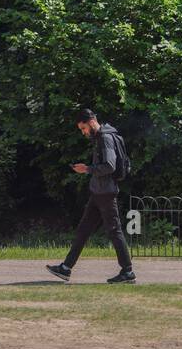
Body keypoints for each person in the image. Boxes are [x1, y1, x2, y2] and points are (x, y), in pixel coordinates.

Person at [47, 109, 136, 283]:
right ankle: (65, 268)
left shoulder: (105, 138)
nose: (83, 132)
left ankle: (127, 271)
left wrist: (87, 169)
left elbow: (109, 166)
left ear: (91, 121)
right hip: (98, 192)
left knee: (114, 230)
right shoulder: (100, 137)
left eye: (83, 128)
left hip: (106, 193)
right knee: (83, 230)